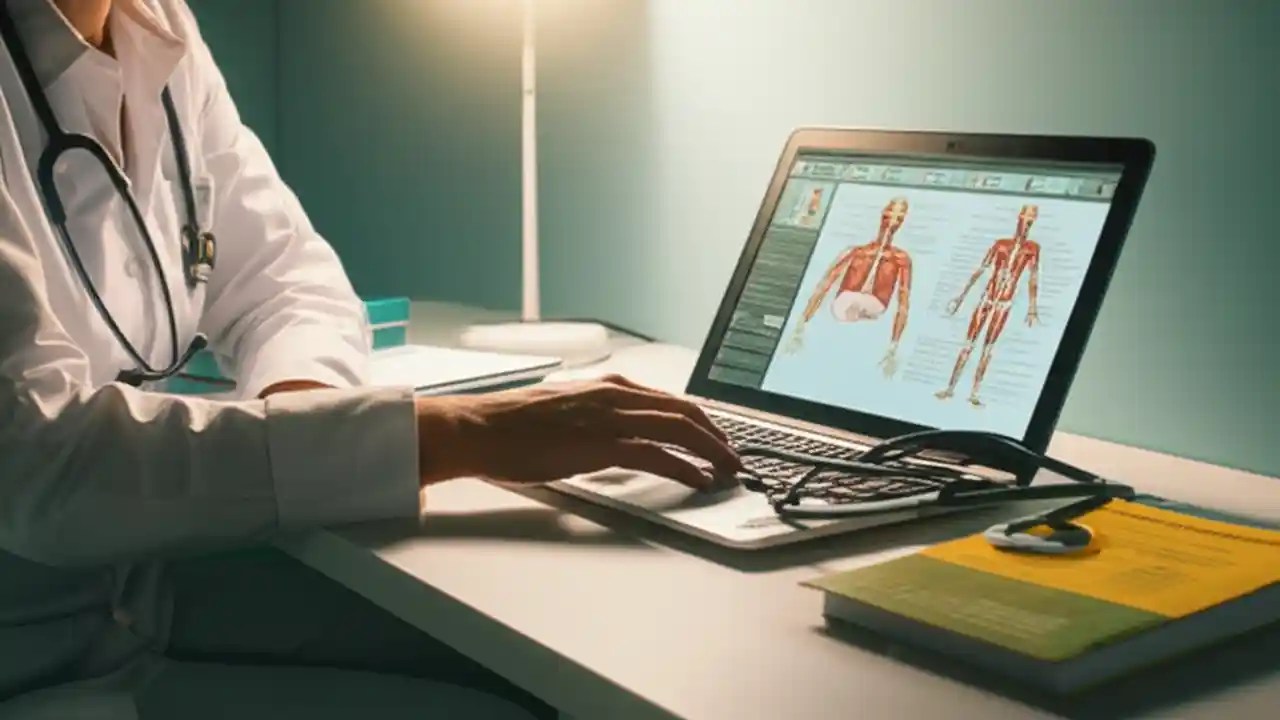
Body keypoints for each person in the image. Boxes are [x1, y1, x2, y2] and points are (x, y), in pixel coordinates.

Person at [0, 0, 741, 718]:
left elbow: (287, 278)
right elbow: (38, 465)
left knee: (544, 670)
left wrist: (317, 427)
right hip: (34, 665)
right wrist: (459, 434)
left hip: (137, 599)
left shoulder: (155, 28)